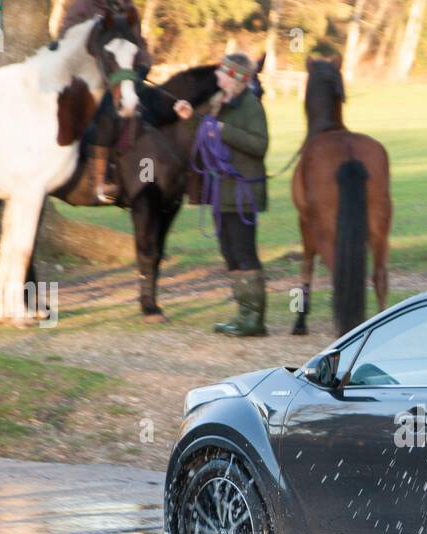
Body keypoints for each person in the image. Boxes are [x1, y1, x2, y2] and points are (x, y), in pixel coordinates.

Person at [174, 53, 270, 337]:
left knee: (244, 252)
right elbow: (206, 133)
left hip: (243, 191)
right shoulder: (220, 102)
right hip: (221, 191)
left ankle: (255, 320)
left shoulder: (251, 106)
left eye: (222, 73)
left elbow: (259, 144)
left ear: (236, 77)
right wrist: (190, 119)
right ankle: (243, 314)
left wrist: (226, 130)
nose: (217, 76)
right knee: (229, 253)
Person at [58, 0, 152, 205]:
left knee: (146, 112)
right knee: (106, 115)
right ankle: (100, 182)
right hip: (85, 81)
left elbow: (139, 44)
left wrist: (144, 64)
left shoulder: (129, 10)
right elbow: (66, 41)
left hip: (121, 77)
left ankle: (143, 175)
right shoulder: (81, 7)